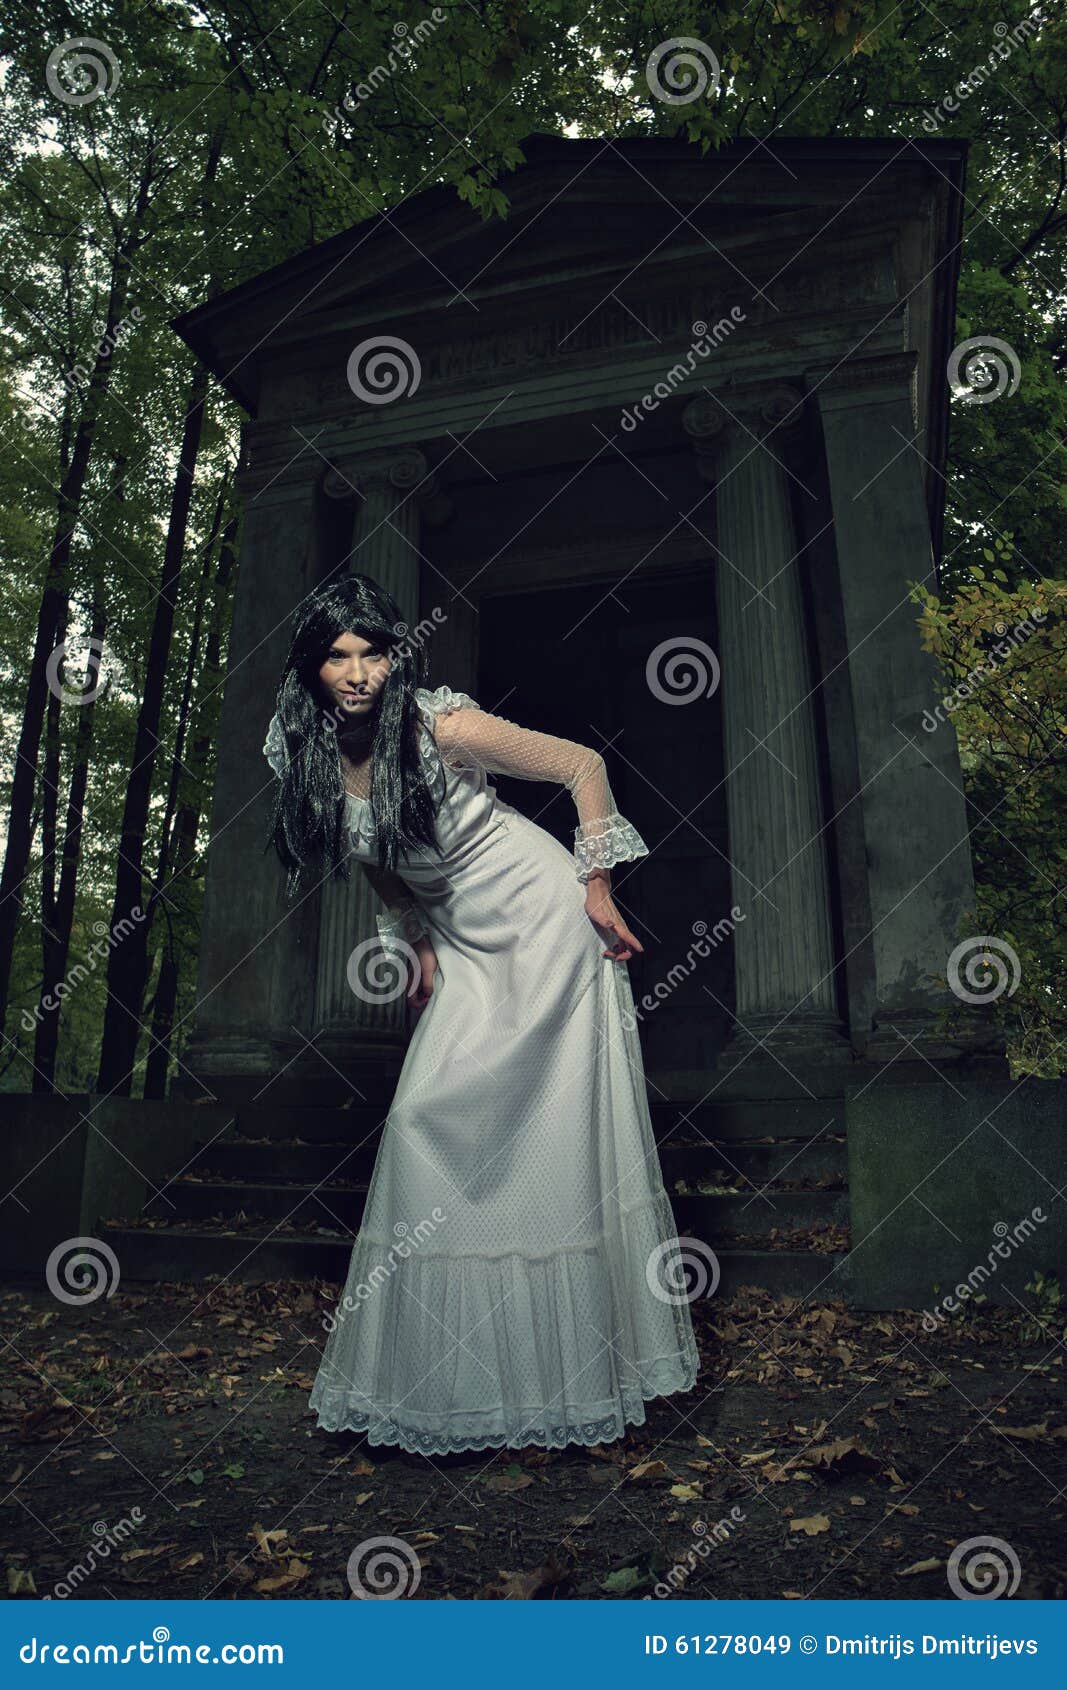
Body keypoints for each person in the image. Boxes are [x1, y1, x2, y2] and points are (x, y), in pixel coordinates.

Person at [262, 574, 700, 1456]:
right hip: (460, 943)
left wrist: (598, 885)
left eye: (373, 653)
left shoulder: (439, 723)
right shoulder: (299, 750)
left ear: (394, 657)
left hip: (543, 918)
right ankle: (450, 1386)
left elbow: (583, 765)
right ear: (310, 669)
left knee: (549, 1142)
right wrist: (414, 938)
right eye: (337, 658)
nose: (357, 674)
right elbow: (372, 853)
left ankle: (568, 1380)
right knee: (429, 1115)